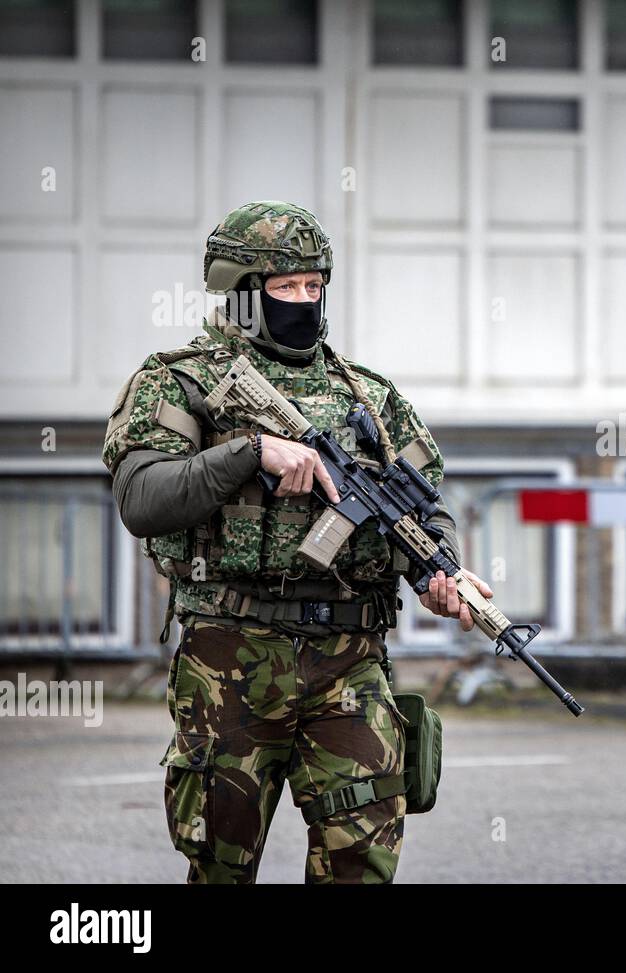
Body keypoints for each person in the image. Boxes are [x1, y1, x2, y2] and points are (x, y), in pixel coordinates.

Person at [102, 200, 492, 884]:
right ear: (243, 292)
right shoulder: (180, 381)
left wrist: (441, 570)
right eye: (287, 287)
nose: (305, 301)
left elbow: (420, 503)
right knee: (221, 859)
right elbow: (143, 498)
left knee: (362, 857)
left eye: (315, 286)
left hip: (351, 658)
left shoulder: (368, 396)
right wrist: (252, 452)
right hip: (232, 653)